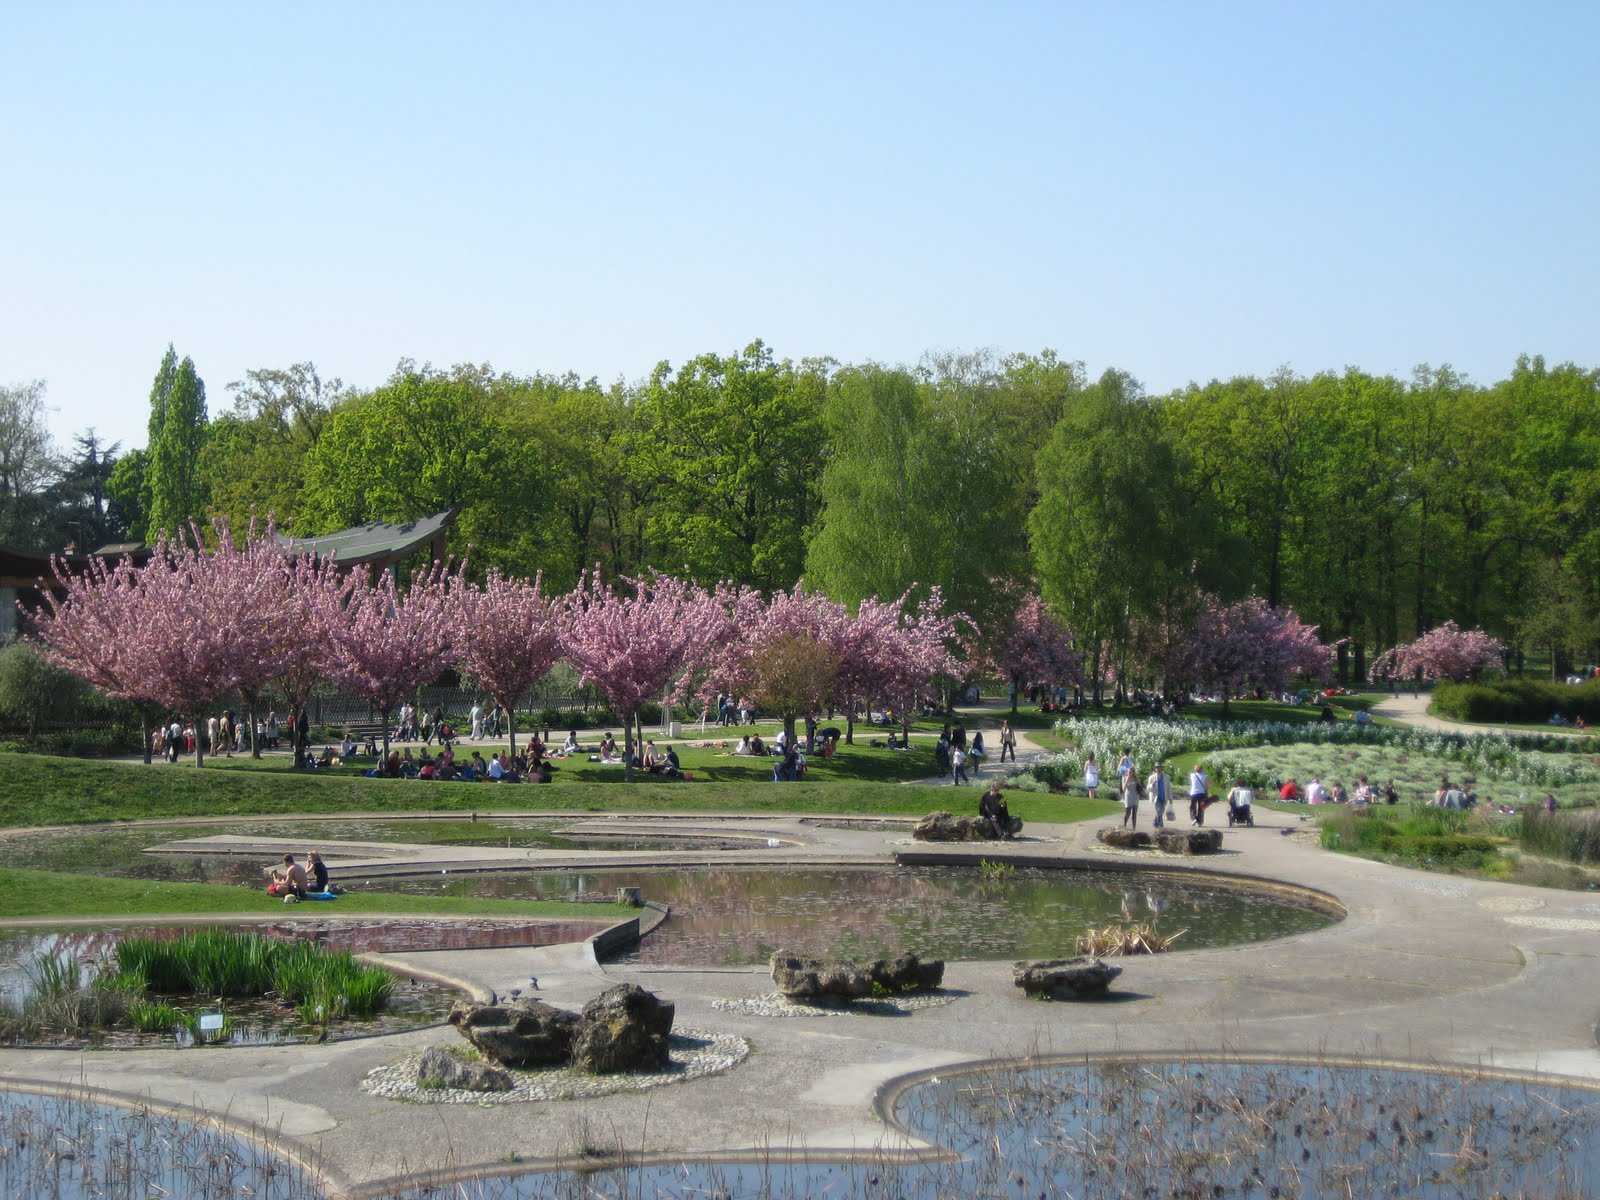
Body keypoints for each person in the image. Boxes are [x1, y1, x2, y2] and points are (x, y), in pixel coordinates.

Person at [1147, 763, 1172, 829]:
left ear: (1162, 768)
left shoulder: (1166, 777)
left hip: (1164, 797)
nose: (1158, 769)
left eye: (1160, 767)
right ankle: (1161, 826)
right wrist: (1152, 785)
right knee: (1158, 811)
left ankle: (1155, 823)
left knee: (1161, 812)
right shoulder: (1152, 777)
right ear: (1155, 769)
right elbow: (1148, 788)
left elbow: (1169, 788)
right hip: (1156, 797)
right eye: (1157, 767)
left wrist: (1170, 798)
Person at [1120, 763, 1143, 829]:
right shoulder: (1124, 778)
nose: (1129, 773)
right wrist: (1127, 779)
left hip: (1135, 796)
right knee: (1128, 812)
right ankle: (1125, 825)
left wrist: (1138, 784)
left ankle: (1134, 828)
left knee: (1134, 813)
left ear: (1133, 772)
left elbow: (1139, 787)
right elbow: (1123, 789)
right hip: (1128, 796)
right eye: (1128, 771)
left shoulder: (1136, 779)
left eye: (1130, 772)